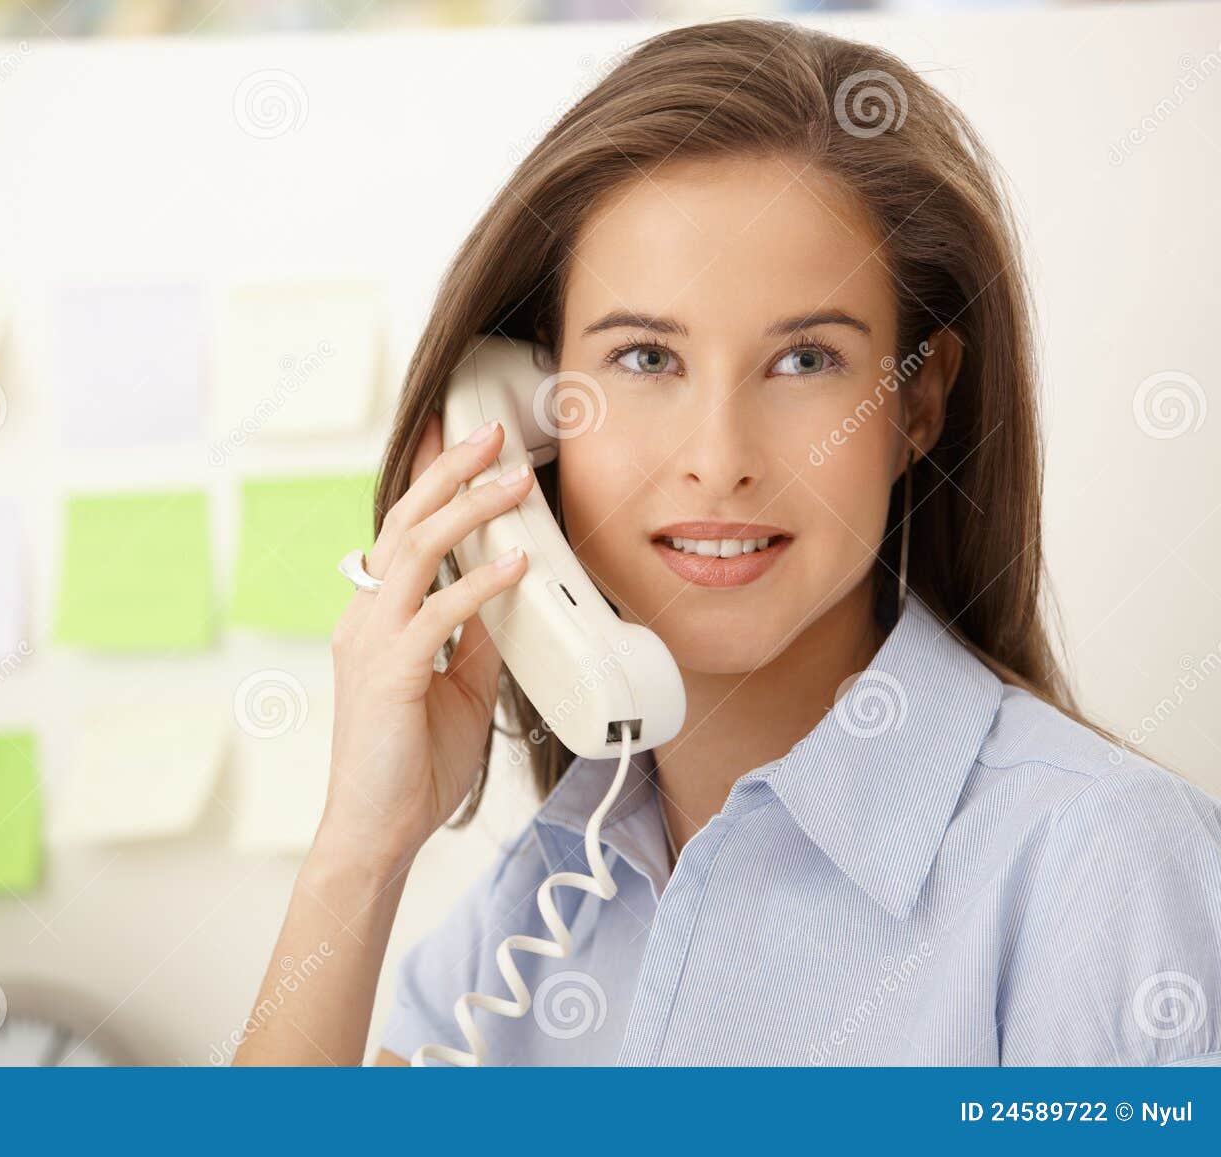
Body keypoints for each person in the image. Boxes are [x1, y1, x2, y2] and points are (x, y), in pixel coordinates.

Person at [232, 17, 1221, 1066]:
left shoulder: (1101, 866)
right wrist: (357, 853)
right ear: (522, 411)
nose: (718, 459)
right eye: (646, 356)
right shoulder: (521, 924)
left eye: (805, 361)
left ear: (914, 402)